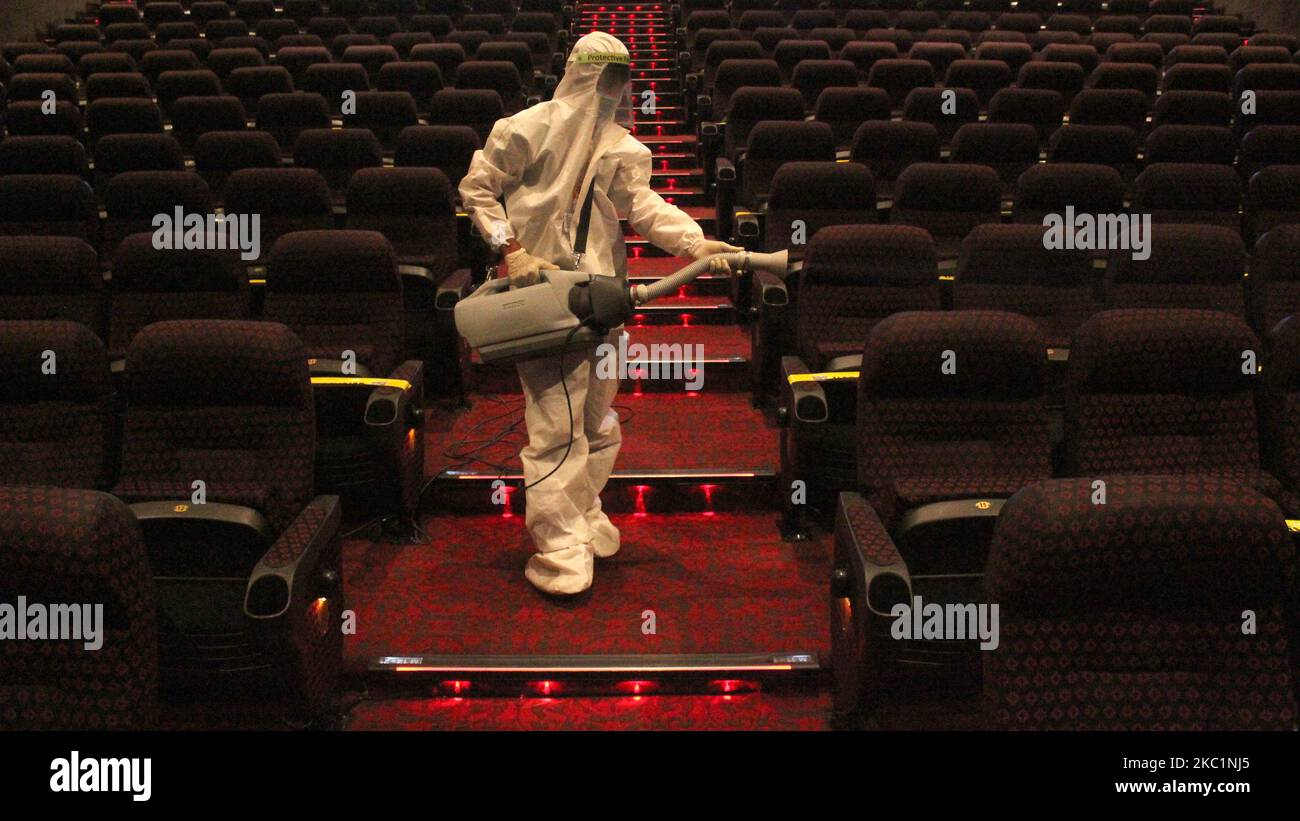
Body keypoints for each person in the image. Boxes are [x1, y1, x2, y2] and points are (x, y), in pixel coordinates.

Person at [459, 31, 741, 595]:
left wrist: (694, 243)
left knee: (597, 418)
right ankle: (559, 546)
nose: (613, 90)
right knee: (557, 427)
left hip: (603, 295)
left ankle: (579, 511)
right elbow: (478, 189)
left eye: (621, 79)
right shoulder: (524, 129)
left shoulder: (621, 145)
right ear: (583, 74)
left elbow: (643, 206)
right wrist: (511, 248)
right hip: (545, 296)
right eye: (606, 78)